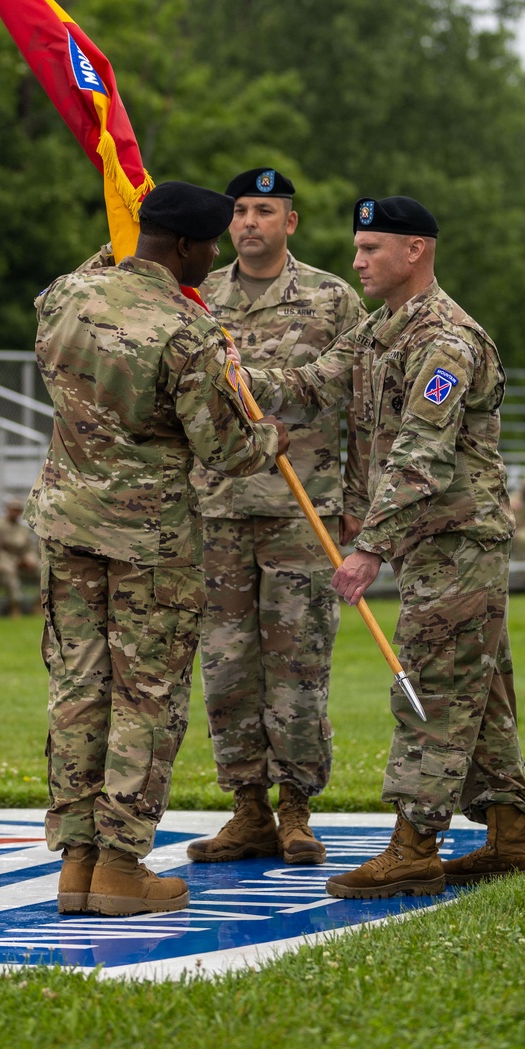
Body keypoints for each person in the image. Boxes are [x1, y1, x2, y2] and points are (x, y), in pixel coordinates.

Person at [245, 195, 525, 898]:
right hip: (433, 546)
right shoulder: (381, 333)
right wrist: (234, 371)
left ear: (416, 251)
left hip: (457, 543)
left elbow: (422, 455)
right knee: (482, 688)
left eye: (371, 249)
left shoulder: (446, 341)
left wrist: (369, 546)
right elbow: (311, 384)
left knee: (432, 689)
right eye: (356, 248)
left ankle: (413, 845)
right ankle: (509, 835)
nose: (356, 262)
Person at [25, 182, 287, 918]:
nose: (216, 256)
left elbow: (71, 298)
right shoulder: (186, 332)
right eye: (209, 245)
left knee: (79, 691)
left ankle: (75, 863)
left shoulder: (64, 298)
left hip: (67, 525)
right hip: (150, 540)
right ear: (184, 247)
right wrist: (271, 439)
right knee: (147, 699)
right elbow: (224, 449)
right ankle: (119, 864)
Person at [187, 167, 365, 867]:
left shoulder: (331, 299)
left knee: (300, 664)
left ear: (291, 221)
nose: (249, 222)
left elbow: (362, 407)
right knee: (227, 666)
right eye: (239, 212)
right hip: (219, 510)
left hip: (303, 511)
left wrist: (358, 500)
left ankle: (296, 809)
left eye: (265, 210)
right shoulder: (199, 297)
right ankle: (246, 808)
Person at [0, 499, 38, 614]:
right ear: (7, 510)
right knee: (9, 570)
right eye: (13, 509)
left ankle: (40, 604)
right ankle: (14, 605)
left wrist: (29, 559)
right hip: (0, 561)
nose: (15, 512)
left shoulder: (23, 529)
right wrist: (14, 560)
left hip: (22, 560)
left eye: (18, 510)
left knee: (43, 569)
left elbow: (29, 549)